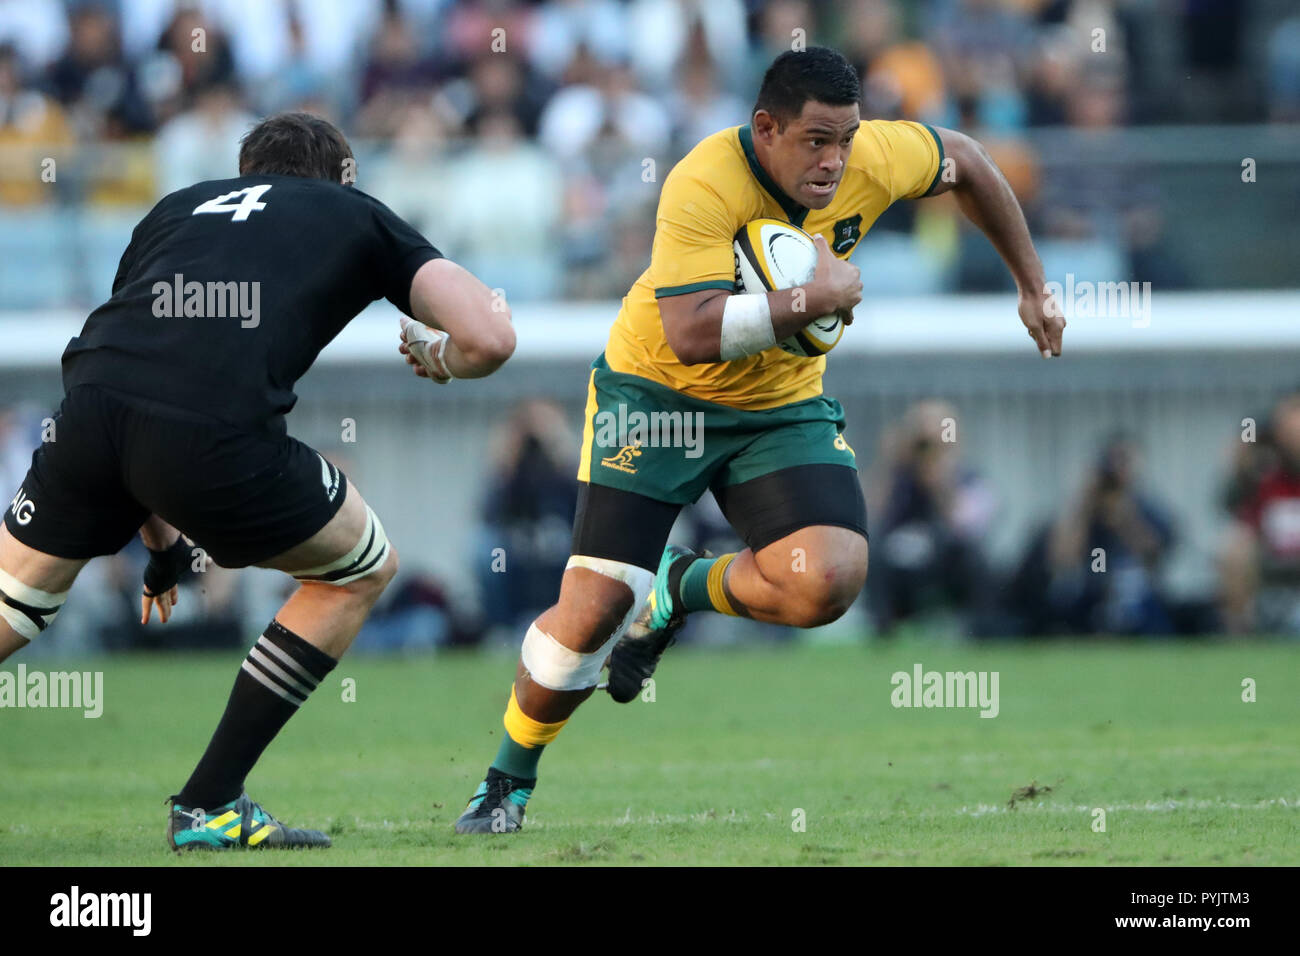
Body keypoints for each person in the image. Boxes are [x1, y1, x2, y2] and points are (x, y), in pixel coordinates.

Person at [453, 46, 1064, 834]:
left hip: (778, 404)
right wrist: (817, 295)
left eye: (846, 138)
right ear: (766, 127)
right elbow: (692, 332)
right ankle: (506, 782)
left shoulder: (872, 155)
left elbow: (970, 163)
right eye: (816, 140)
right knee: (596, 608)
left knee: (828, 581)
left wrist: (1033, 286)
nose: (836, 160)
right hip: (657, 395)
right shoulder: (704, 180)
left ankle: (679, 590)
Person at [0, 111, 515, 851]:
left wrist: (162, 546)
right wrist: (441, 360)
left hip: (87, 408)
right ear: (343, 177)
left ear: (247, 173)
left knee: (14, 605)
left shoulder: (177, 207)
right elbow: (492, 336)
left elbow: (143, 368)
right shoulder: (353, 211)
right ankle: (209, 803)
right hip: (208, 429)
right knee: (359, 569)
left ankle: (212, 804)